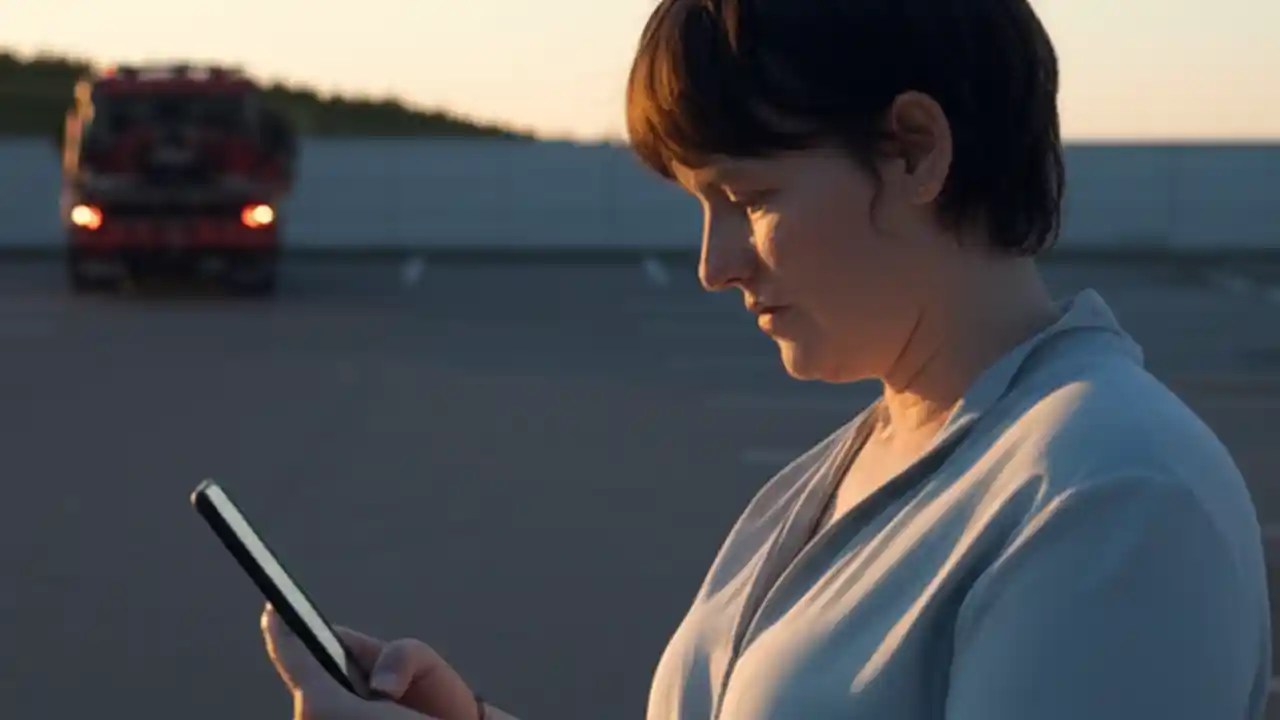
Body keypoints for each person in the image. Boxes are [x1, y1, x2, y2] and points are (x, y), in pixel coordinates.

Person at [261, 0, 1273, 718]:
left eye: (747, 199)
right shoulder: (861, 461)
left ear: (914, 149)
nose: (712, 265)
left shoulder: (1111, 489)